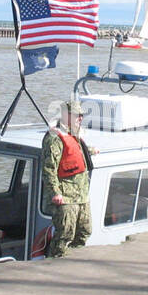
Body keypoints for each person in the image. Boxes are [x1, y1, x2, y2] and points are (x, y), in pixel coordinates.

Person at [41, 100, 95, 257]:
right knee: (65, 234)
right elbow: (49, 168)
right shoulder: (54, 138)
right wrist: (55, 192)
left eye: (81, 116)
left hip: (82, 195)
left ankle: (73, 260)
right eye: (77, 116)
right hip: (66, 197)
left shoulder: (74, 133)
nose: (80, 119)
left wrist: (91, 151)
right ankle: (54, 262)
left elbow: (74, 152)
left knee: (85, 231)